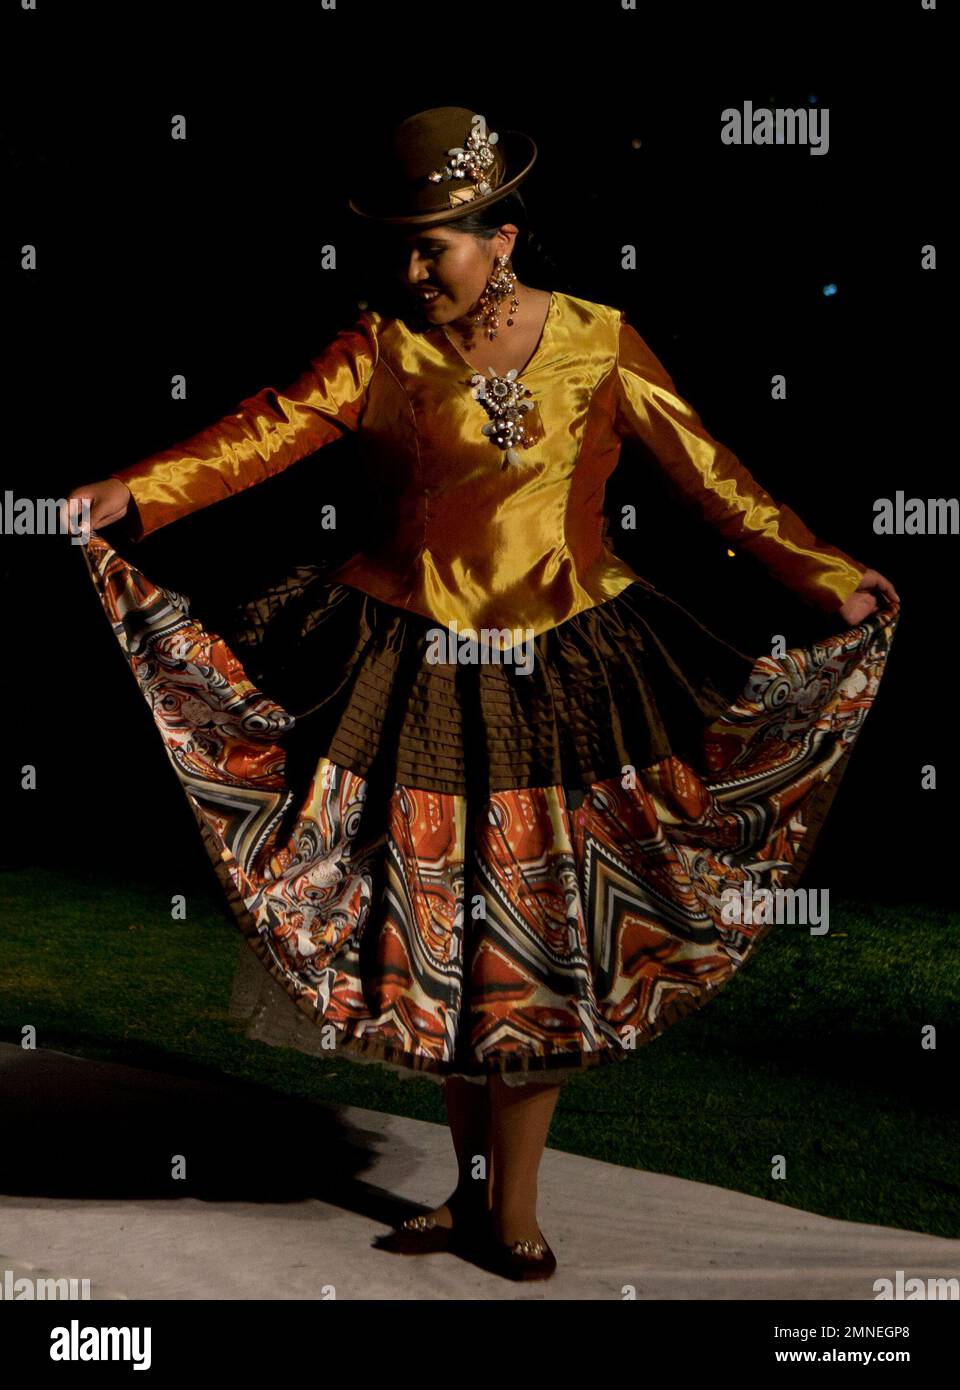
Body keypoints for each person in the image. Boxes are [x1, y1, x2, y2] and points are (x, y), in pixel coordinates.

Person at [64, 106, 901, 1283]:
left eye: (433, 248)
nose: (410, 272)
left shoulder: (602, 343)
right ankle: (468, 1204)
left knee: (540, 942)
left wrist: (823, 574)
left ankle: (514, 1209)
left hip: (565, 672)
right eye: (399, 250)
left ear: (500, 239)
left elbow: (718, 483)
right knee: (448, 947)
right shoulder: (380, 347)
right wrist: (132, 491)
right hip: (410, 671)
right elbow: (261, 434)